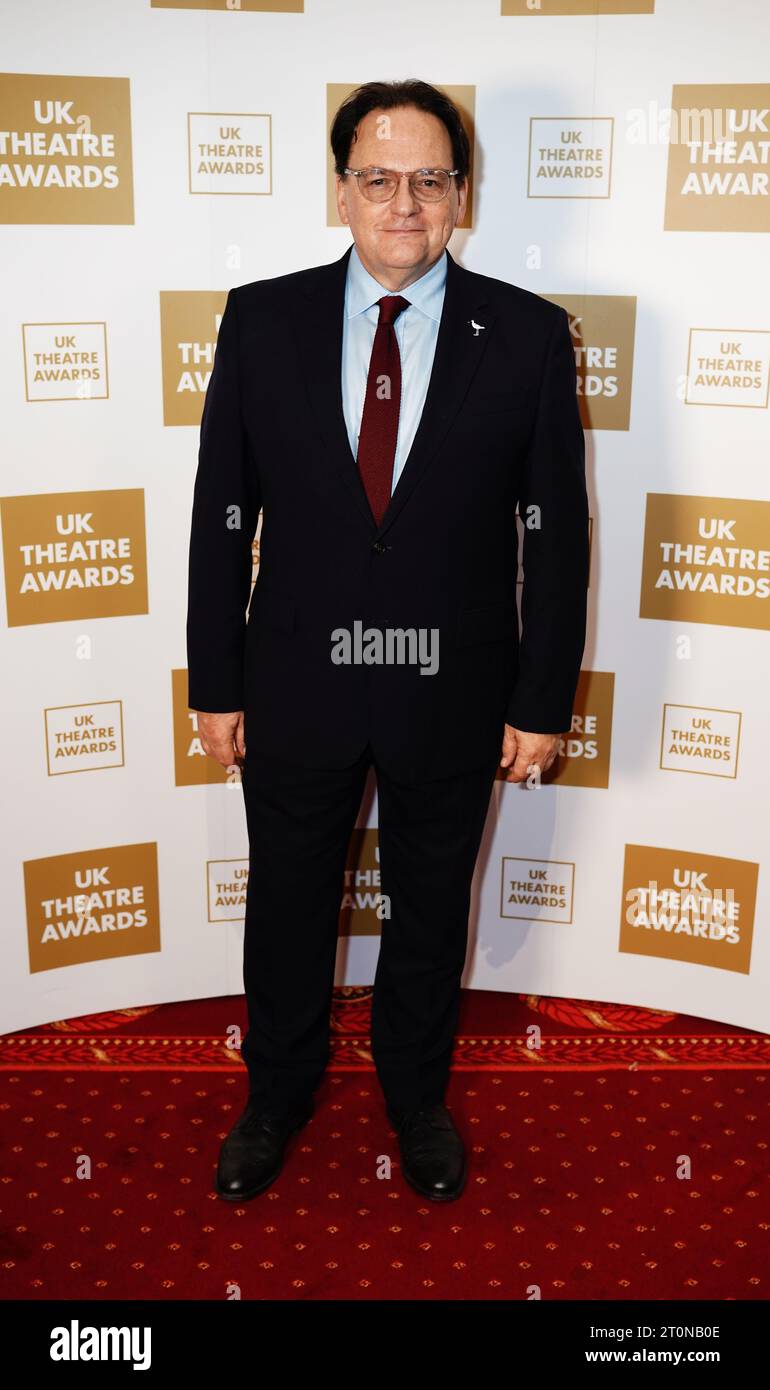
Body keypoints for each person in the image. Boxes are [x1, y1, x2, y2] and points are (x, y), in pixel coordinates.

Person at [186, 79, 589, 1204]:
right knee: (288, 902)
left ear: (460, 193)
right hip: (295, 683)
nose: (401, 201)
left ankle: (416, 1097)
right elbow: (222, 510)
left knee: (428, 903)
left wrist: (541, 696)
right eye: (376, 176)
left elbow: (553, 535)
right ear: (339, 190)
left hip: (451, 689)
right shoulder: (259, 320)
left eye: (427, 177)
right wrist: (213, 678)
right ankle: (275, 1095)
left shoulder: (522, 334)